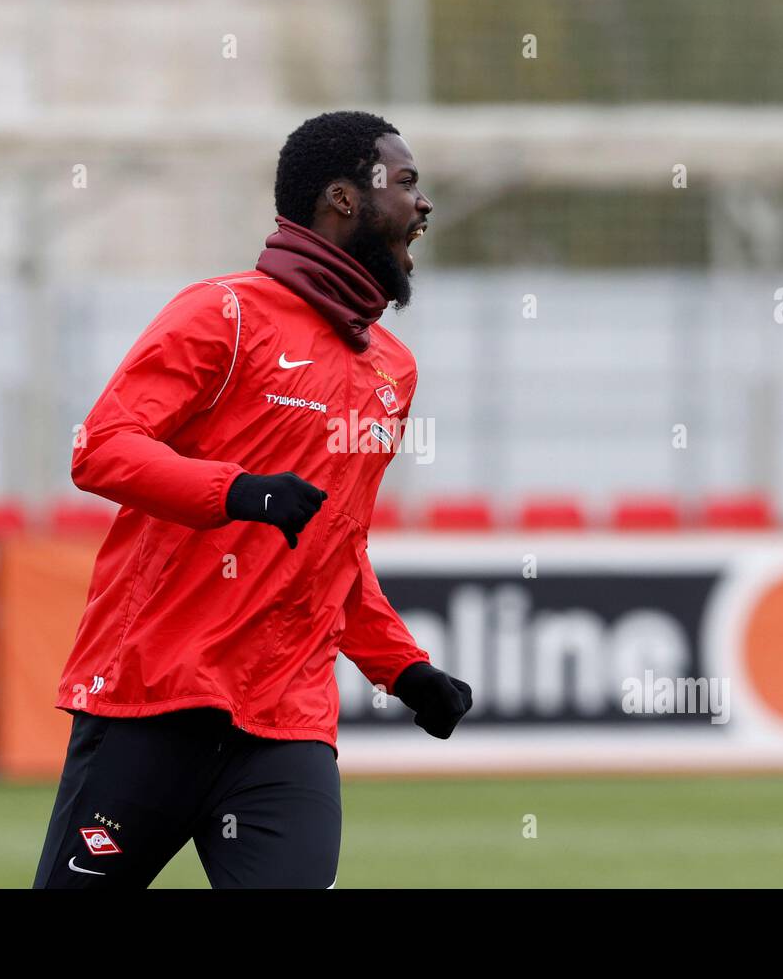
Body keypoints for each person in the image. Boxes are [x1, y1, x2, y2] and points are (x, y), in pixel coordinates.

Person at [33, 110, 473, 889]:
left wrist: (403, 669)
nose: (424, 203)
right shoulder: (223, 313)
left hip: (285, 727)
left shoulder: (392, 370)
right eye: (407, 183)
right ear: (344, 198)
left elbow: (335, 547)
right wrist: (238, 492)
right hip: (151, 703)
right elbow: (101, 448)